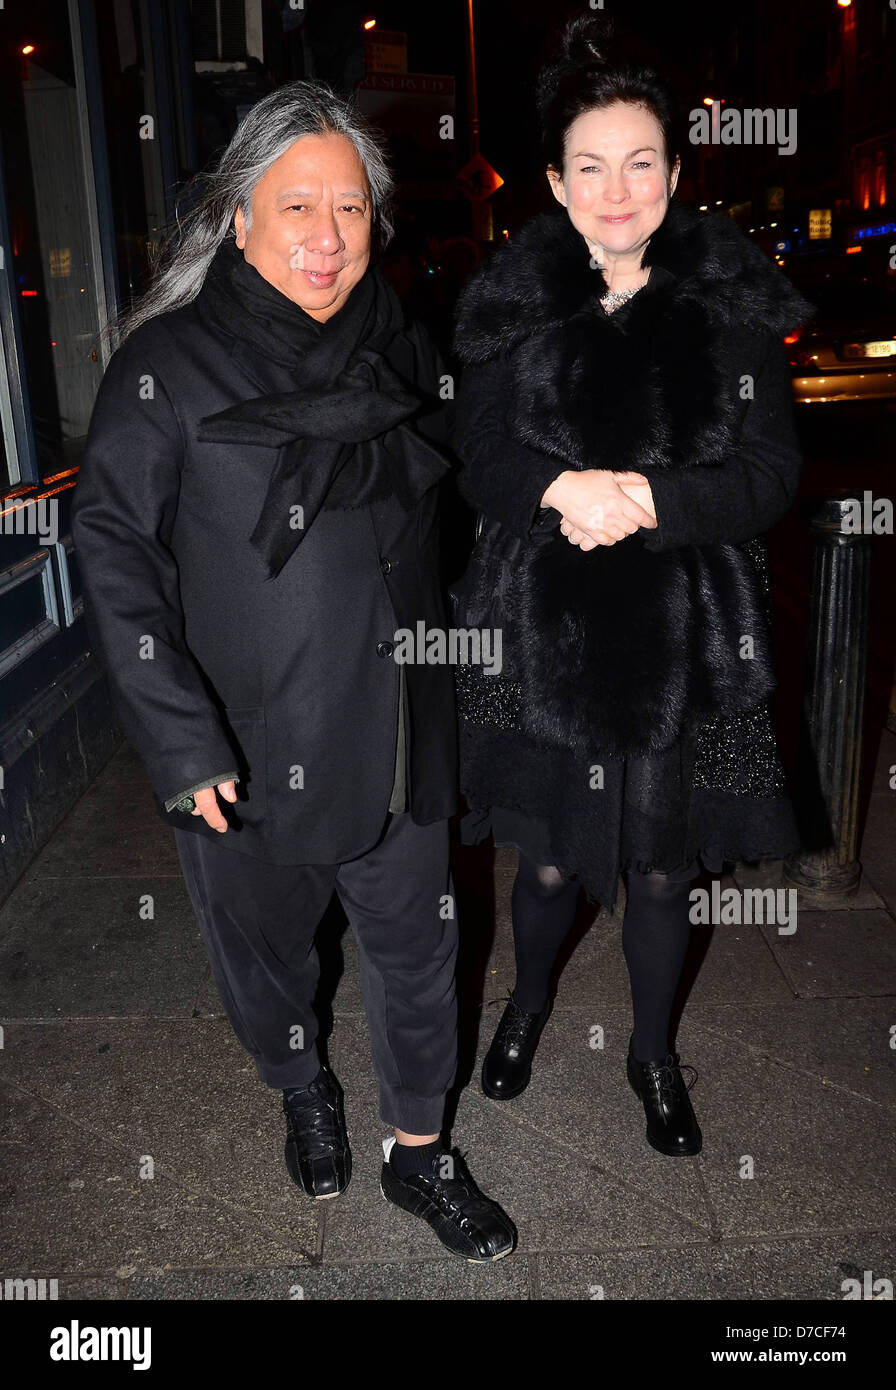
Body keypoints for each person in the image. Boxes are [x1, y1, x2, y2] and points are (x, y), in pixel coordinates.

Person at [71, 81, 515, 1262]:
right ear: (238, 218)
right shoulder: (166, 366)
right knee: (266, 956)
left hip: (402, 725)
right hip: (247, 743)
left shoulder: (397, 342)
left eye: (352, 208)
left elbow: (444, 505)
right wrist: (178, 736)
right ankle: (298, 1082)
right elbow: (111, 547)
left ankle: (420, 1151)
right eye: (297, 206)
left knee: (420, 948)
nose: (328, 238)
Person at [450, 17, 811, 1156]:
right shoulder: (509, 301)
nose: (617, 191)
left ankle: (653, 1055)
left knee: (659, 864)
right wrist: (564, 490)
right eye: (590, 166)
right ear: (554, 180)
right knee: (549, 854)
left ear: (673, 170)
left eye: (640, 162)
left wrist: (647, 498)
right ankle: (526, 1002)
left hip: (681, 634)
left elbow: (767, 472)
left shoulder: (728, 303)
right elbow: (480, 457)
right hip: (540, 621)